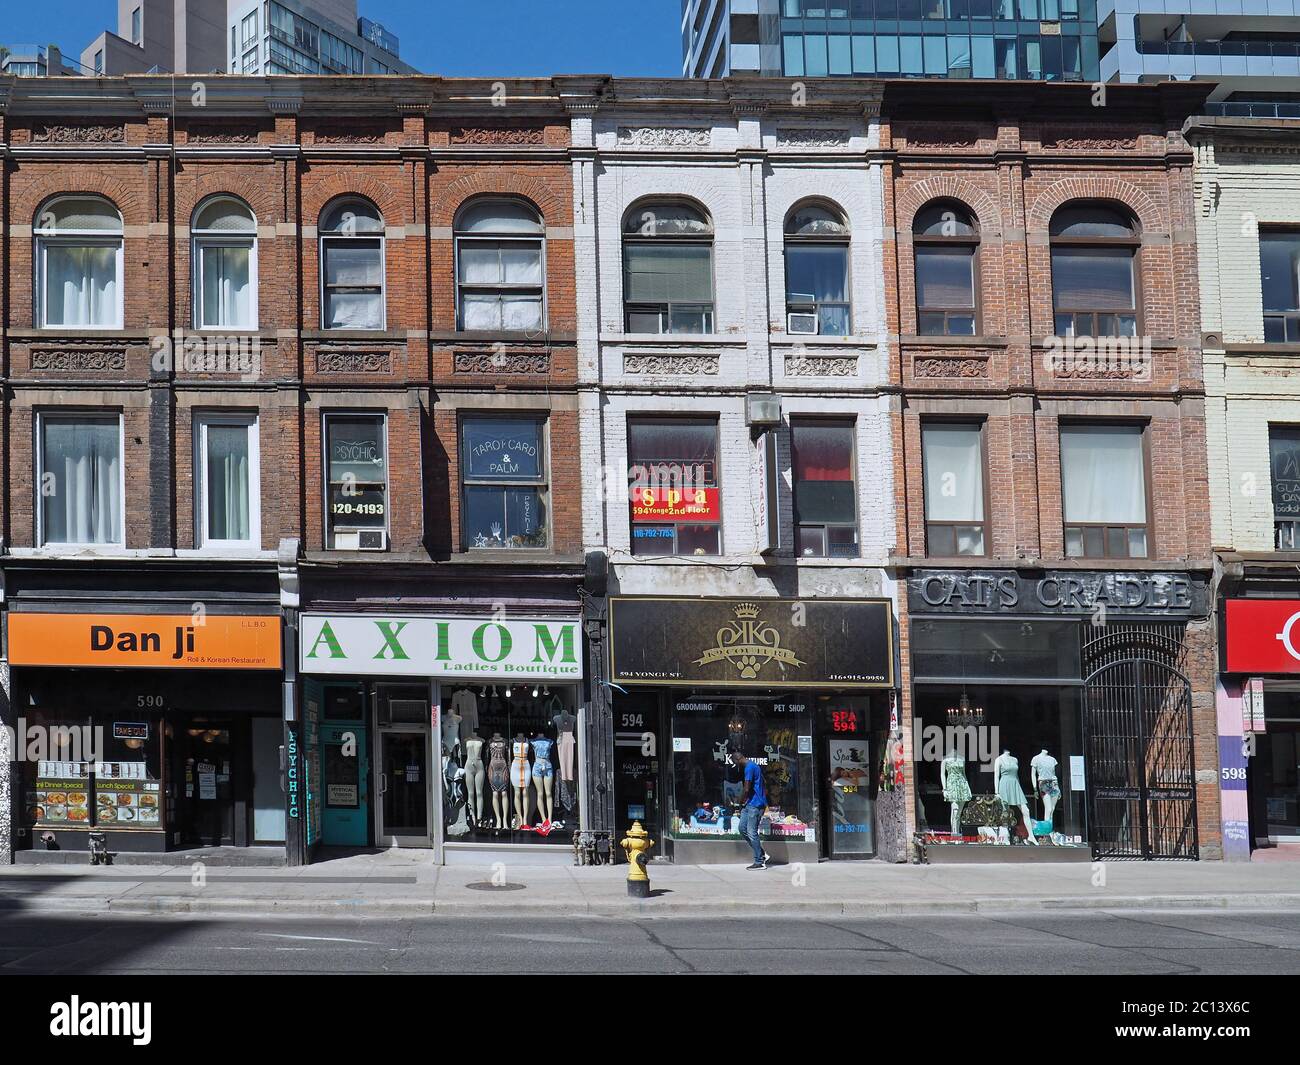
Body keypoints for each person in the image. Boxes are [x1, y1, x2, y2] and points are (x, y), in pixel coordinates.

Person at [730, 751, 769, 869]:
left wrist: (740, 802)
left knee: (752, 832)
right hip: (749, 804)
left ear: (738, 760)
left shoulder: (749, 768)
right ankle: (761, 853)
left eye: (736, 764)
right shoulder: (751, 766)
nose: (737, 767)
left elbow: (746, 789)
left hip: (755, 805)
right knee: (742, 828)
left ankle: (759, 862)